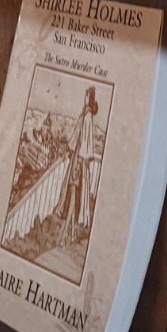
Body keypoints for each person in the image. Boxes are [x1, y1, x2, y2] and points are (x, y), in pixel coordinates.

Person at [56, 86, 99, 246]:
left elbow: (86, 142)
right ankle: (72, 233)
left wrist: (79, 161)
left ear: (90, 98)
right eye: (85, 95)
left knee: (74, 196)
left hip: (79, 161)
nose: (84, 97)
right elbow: (76, 137)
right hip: (76, 159)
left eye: (86, 95)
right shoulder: (84, 114)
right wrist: (68, 151)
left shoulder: (87, 117)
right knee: (73, 196)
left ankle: (63, 236)